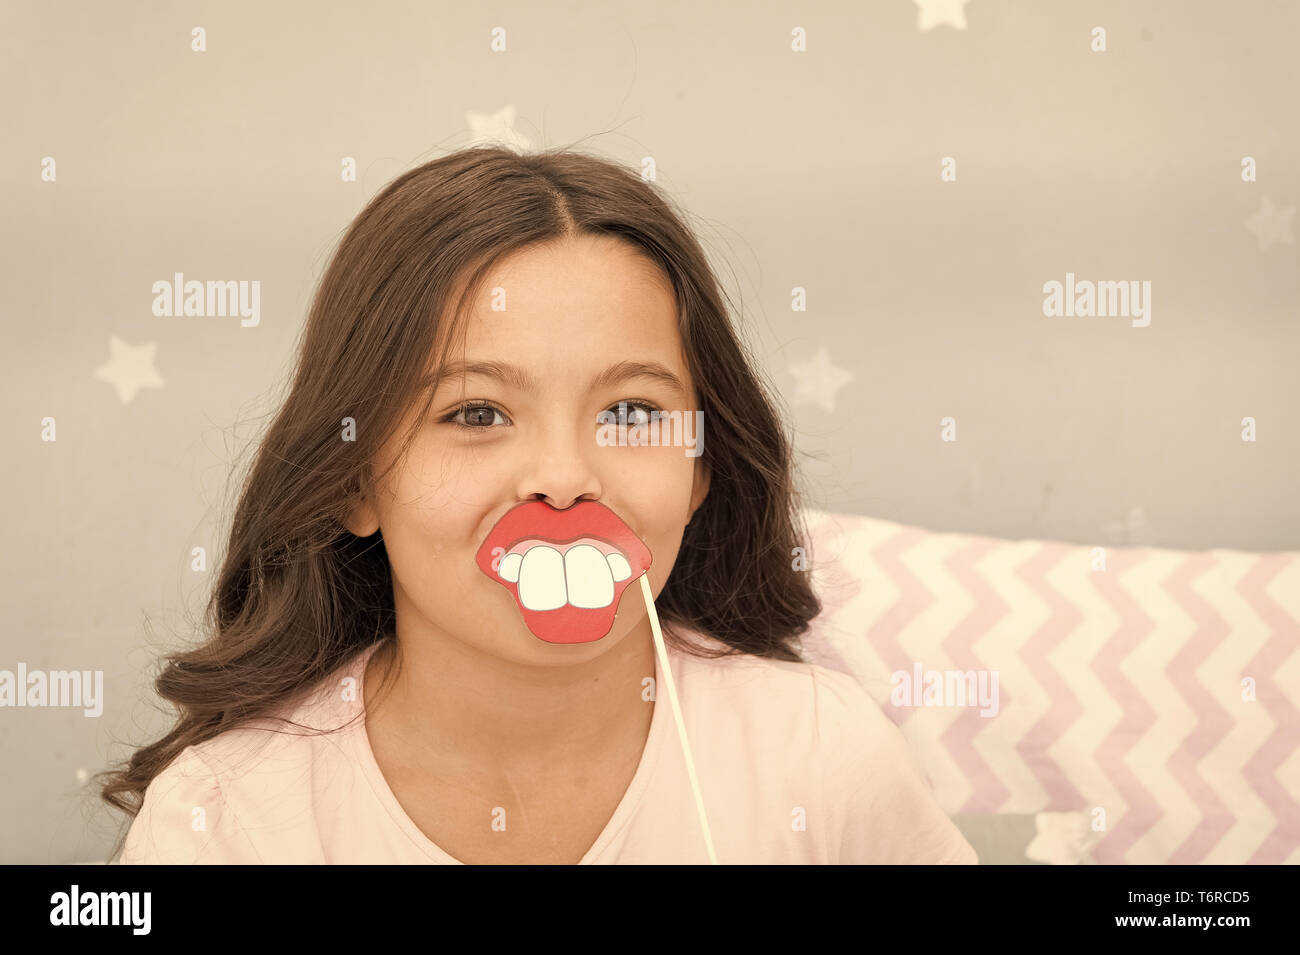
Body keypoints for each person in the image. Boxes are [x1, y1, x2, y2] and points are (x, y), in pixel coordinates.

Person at [101, 145, 978, 864]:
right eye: (476, 413)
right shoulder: (230, 822)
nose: (563, 476)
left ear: (701, 469)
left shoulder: (817, 757)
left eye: (631, 413)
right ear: (356, 480)